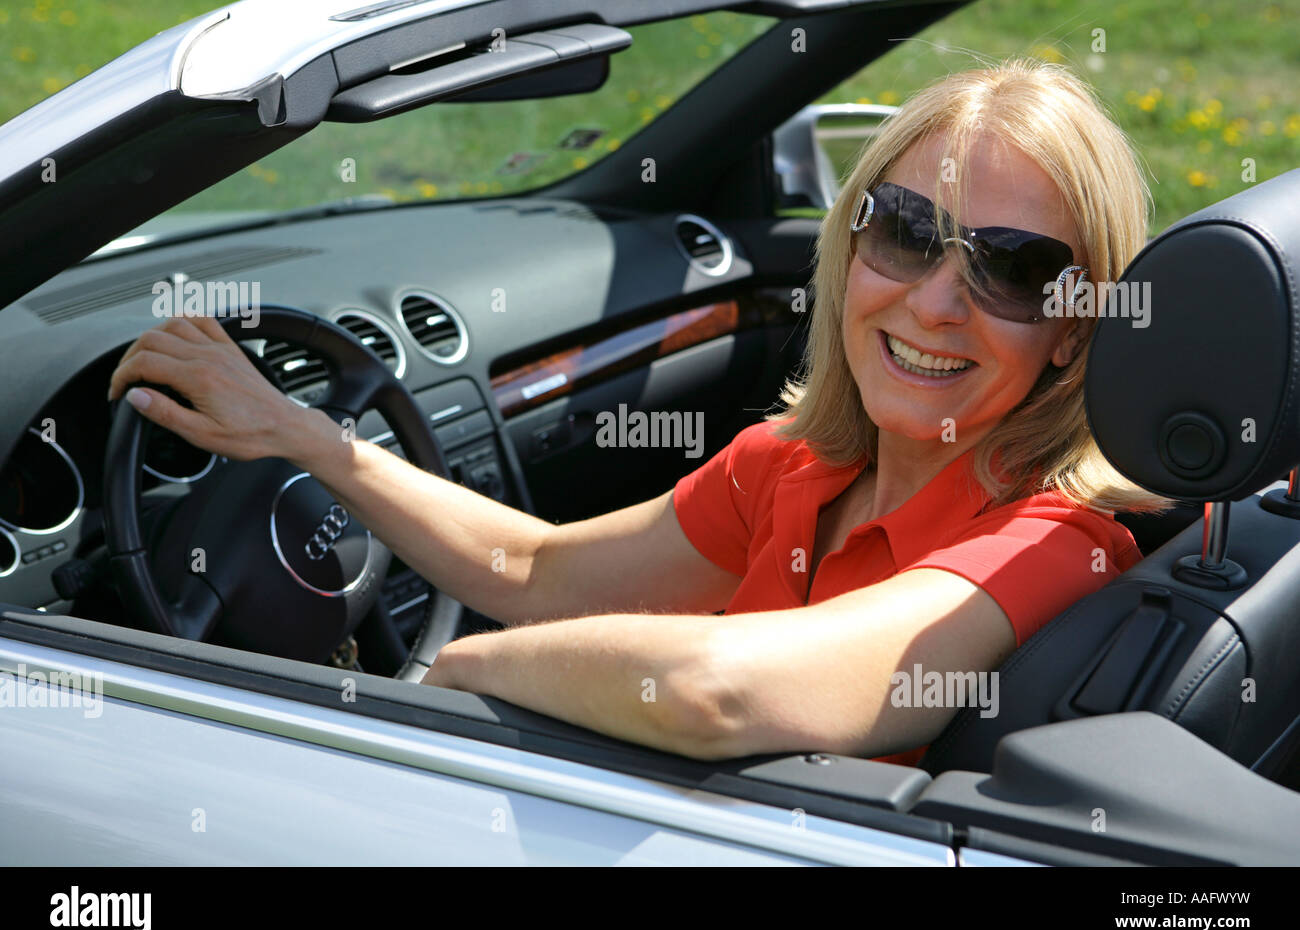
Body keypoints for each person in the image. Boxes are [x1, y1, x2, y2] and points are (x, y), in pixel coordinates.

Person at [108, 58, 1172, 765]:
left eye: (1013, 270)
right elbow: (537, 573)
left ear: (1072, 329)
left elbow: (715, 691)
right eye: (902, 229)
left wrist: (451, 673)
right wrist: (307, 435)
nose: (935, 302)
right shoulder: (792, 467)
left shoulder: (1052, 540)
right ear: (849, 245)